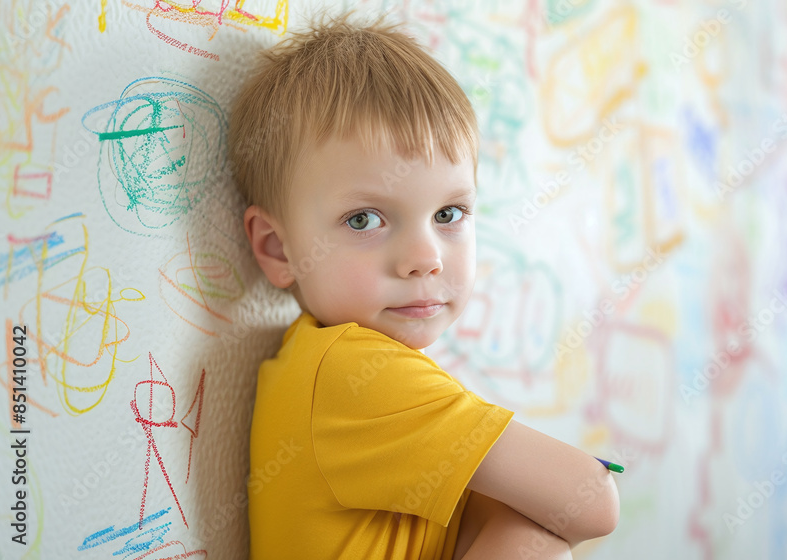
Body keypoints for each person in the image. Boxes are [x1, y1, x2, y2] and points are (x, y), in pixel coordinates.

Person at [228, 10, 620, 559]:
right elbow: (592, 500)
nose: (425, 258)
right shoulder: (353, 375)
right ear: (276, 247)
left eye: (449, 213)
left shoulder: (314, 359)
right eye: (364, 219)